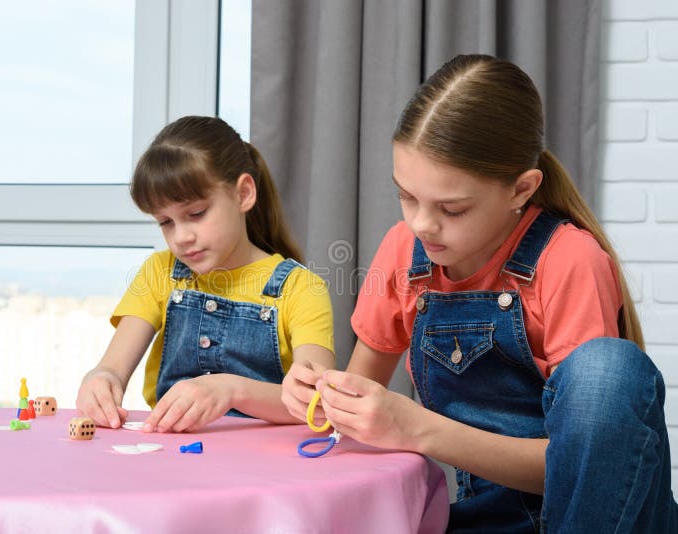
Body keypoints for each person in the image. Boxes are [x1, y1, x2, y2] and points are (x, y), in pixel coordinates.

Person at [281, 54, 677, 532]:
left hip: (604, 518)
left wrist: (416, 429)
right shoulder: (404, 250)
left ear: (521, 189)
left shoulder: (570, 259)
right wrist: (322, 397)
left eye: (452, 209)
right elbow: (354, 398)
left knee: (607, 368)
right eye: (406, 196)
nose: (422, 224)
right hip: (488, 518)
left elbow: (586, 471)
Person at [78, 115, 335, 433]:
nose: (181, 237)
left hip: (265, 462)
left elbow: (317, 402)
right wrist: (100, 379)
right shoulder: (160, 272)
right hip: (170, 454)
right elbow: (111, 369)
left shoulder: (301, 288)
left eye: (196, 213)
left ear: (243, 194)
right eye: (166, 222)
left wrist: (232, 390)